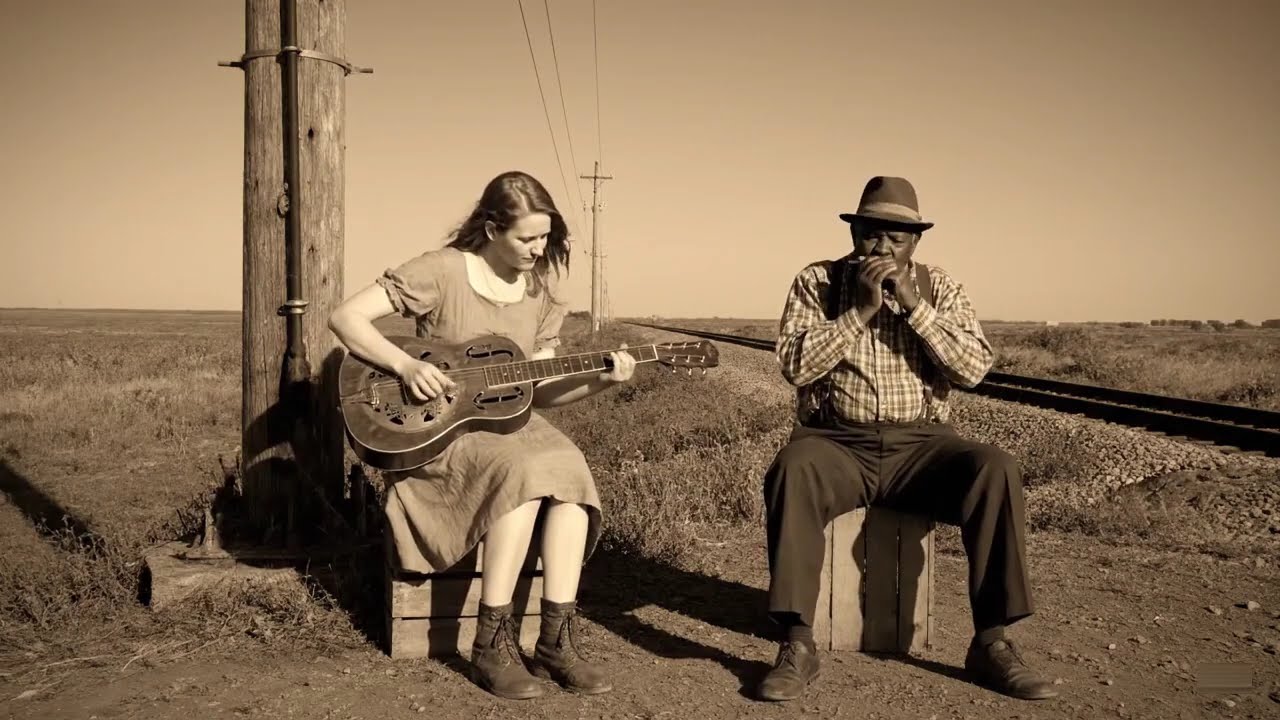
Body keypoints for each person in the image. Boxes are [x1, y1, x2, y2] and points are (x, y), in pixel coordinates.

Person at [328, 170, 636, 700]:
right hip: (440, 427)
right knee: (519, 473)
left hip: (511, 422)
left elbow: (539, 390)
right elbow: (346, 318)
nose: (538, 249)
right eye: (527, 238)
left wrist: (601, 380)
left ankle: (556, 641)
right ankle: (491, 645)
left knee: (569, 470)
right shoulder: (441, 271)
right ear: (492, 229)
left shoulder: (539, 290)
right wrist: (405, 365)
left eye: (545, 237)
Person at [756, 176, 1058, 702]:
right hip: (838, 442)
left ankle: (992, 641)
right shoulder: (818, 281)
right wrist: (861, 311)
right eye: (871, 234)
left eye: (896, 238)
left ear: (915, 242)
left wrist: (916, 309)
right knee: (793, 467)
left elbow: (974, 370)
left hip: (922, 446)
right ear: (854, 235)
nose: (882, 248)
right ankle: (797, 643)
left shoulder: (940, 287)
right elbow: (795, 366)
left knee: (996, 468)